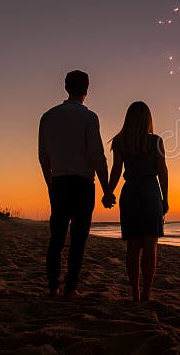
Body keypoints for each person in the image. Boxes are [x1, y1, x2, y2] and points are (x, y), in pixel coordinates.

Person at [39, 70, 113, 299]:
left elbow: (44, 156)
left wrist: (50, 183)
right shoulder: (89, 118)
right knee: (78, 239)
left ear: (65, 87)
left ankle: (53, 285)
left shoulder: (48, 117)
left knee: (57, 236)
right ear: (86, 90)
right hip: (82, 184)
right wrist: (107, 190)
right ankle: (71, 287)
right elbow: (97, 157)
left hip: (59, 183)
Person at [105, 101, 169, 302]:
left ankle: (135, 293)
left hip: (130, 192)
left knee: (133, 248)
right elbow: (162, 171)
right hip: (150, 192)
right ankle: (147, 293)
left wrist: (108, 192)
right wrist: (165, 198)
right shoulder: (155, 141)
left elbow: (116, 170)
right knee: (150, 247)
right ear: (148, 119)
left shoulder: (120, 141)